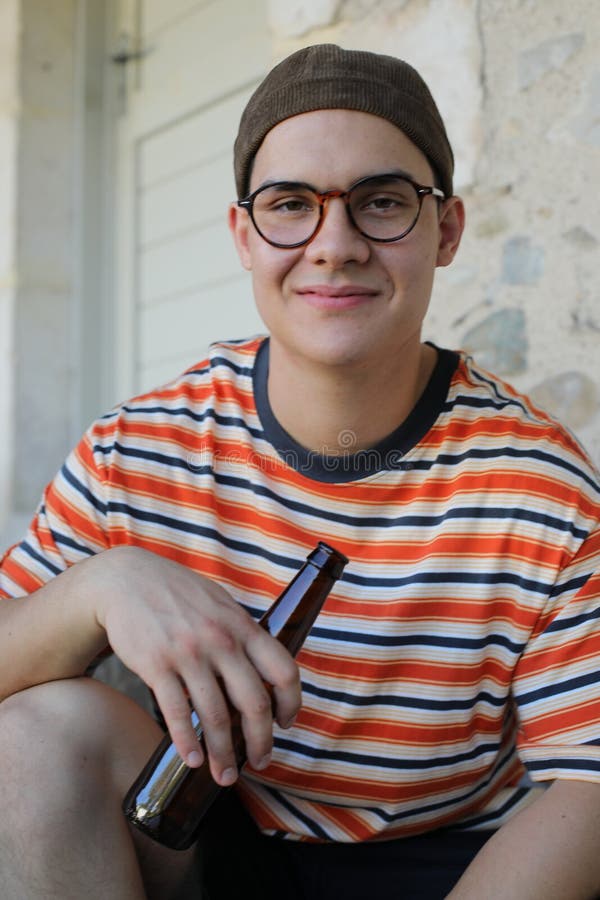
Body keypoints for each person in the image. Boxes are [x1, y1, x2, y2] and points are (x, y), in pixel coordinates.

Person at [1, 43, 600, 900]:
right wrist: (98, 587)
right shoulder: (139, 448)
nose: (336, 245)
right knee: (30, 737)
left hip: (446, 862)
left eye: (382, 202)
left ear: (449, 230)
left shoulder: (540, 485)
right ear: (245, 235)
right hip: (207, 843)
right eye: (291, 205)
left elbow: (589, 779)